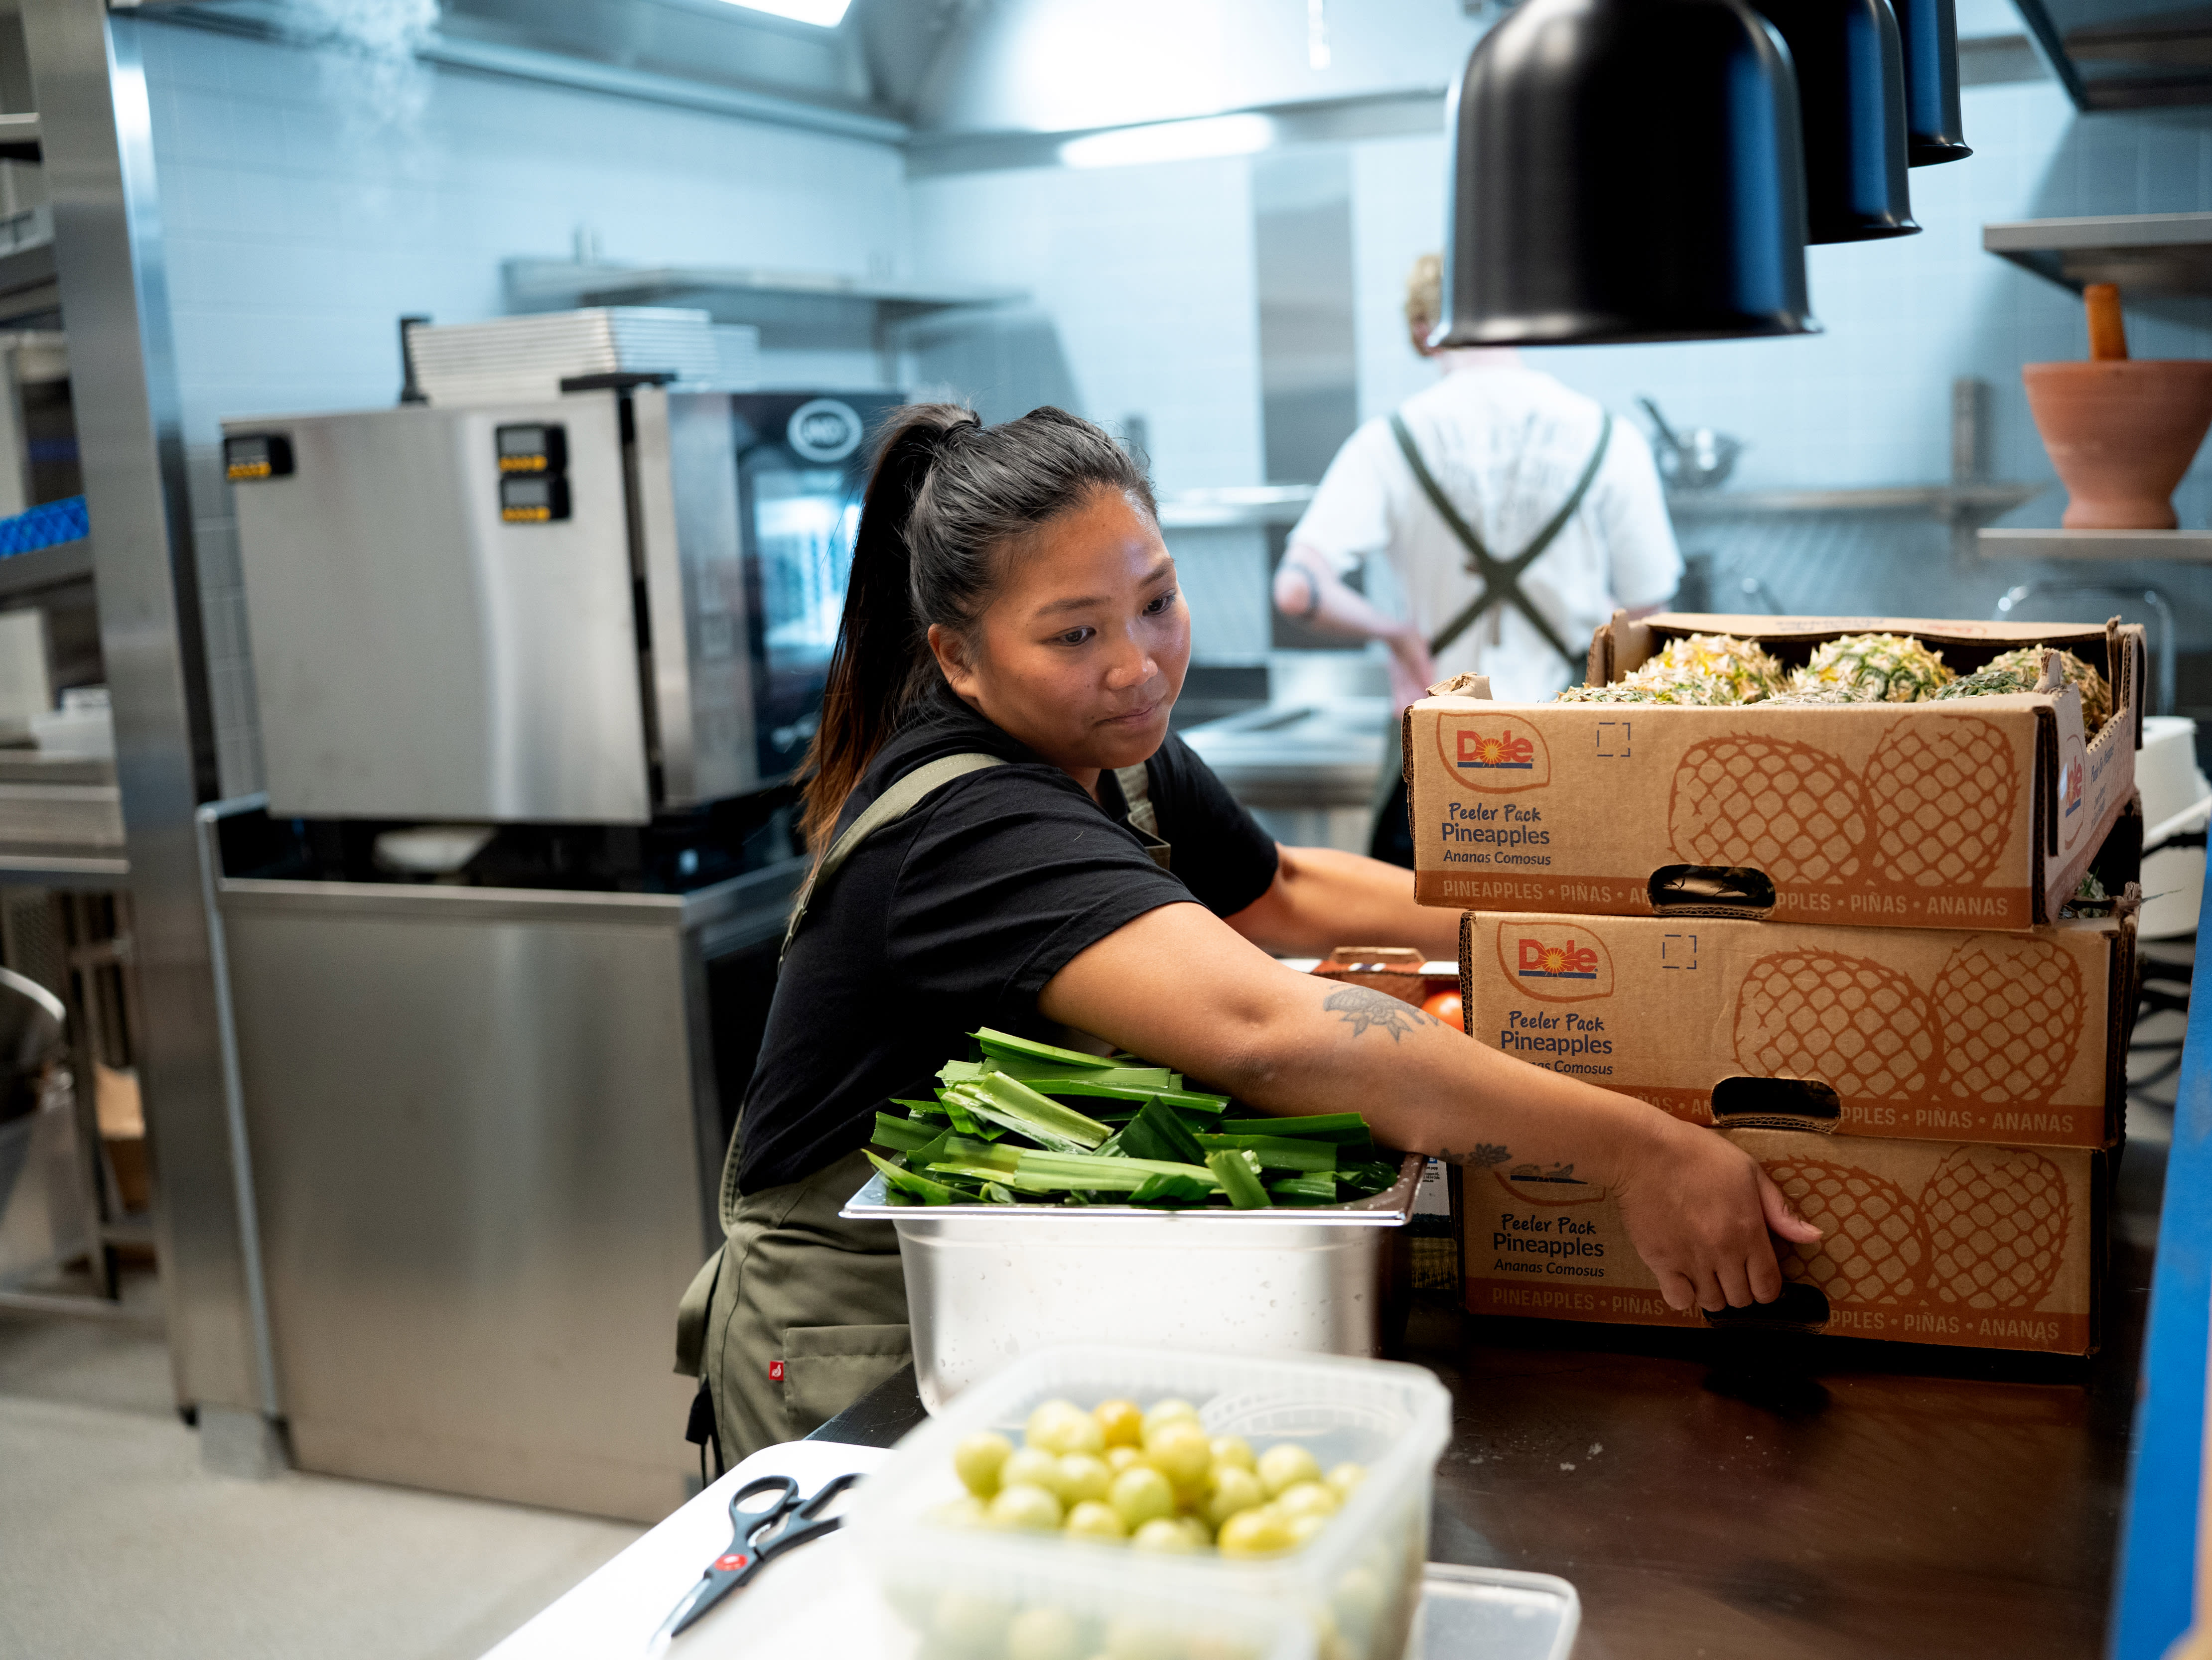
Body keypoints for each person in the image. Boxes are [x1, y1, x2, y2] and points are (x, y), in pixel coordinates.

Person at [677, 403, 1814, 1468]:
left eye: (1157, 603)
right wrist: (1641, 1150)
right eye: (1074, 633)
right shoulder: (972, 824)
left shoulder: (1102, 745)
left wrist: (1597, 923)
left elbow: (1286, 888)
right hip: (866, 1339)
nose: (1137, 662)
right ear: (960, 658)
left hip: (1013, 1301)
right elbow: (1268, 1029)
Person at [1274, 253, 1681, 864]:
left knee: (1433, 948)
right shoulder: (1606, 434)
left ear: (1421, 329)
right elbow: (1649, 615)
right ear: (1519, 318)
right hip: (1569, 746)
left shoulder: (1388, 442)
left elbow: (1297, 591)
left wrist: (1396, 635)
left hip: (1442, 749)